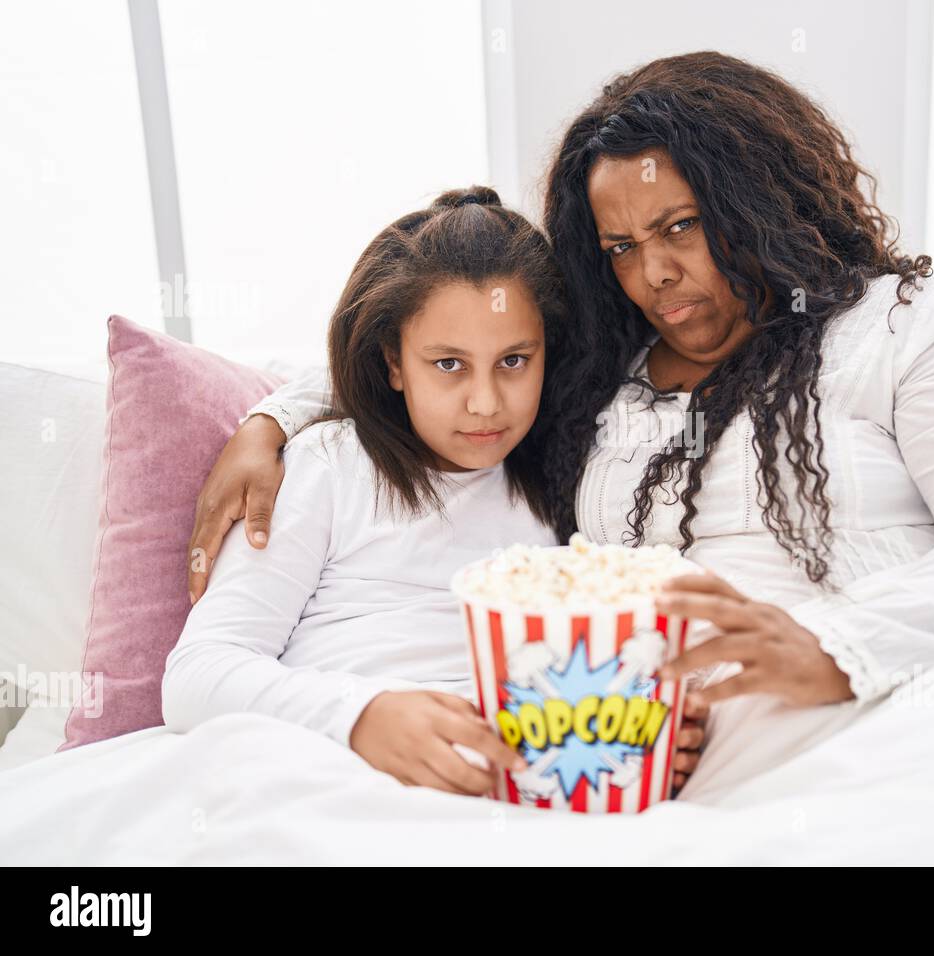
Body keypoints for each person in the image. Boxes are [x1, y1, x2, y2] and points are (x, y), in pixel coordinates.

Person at [187, 52, 934, 721]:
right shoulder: (601, 377)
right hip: (666, 767)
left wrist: (838, 644)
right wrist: (276, 416)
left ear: (760, 201)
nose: (653, 273)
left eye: (681, 226)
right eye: (619, 249)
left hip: (901, 703)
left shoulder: (907, 327)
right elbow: (451, 339)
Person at [165, 186, 708, 796]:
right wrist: (363, 715)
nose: (485, 403)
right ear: (394, 363)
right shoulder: (329, 465)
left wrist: (639, 724)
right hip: (337, 771)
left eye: (514, 361)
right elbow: (196, 677)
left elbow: (575, 673)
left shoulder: (568, 479)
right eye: (448, 364)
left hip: (505, 788)